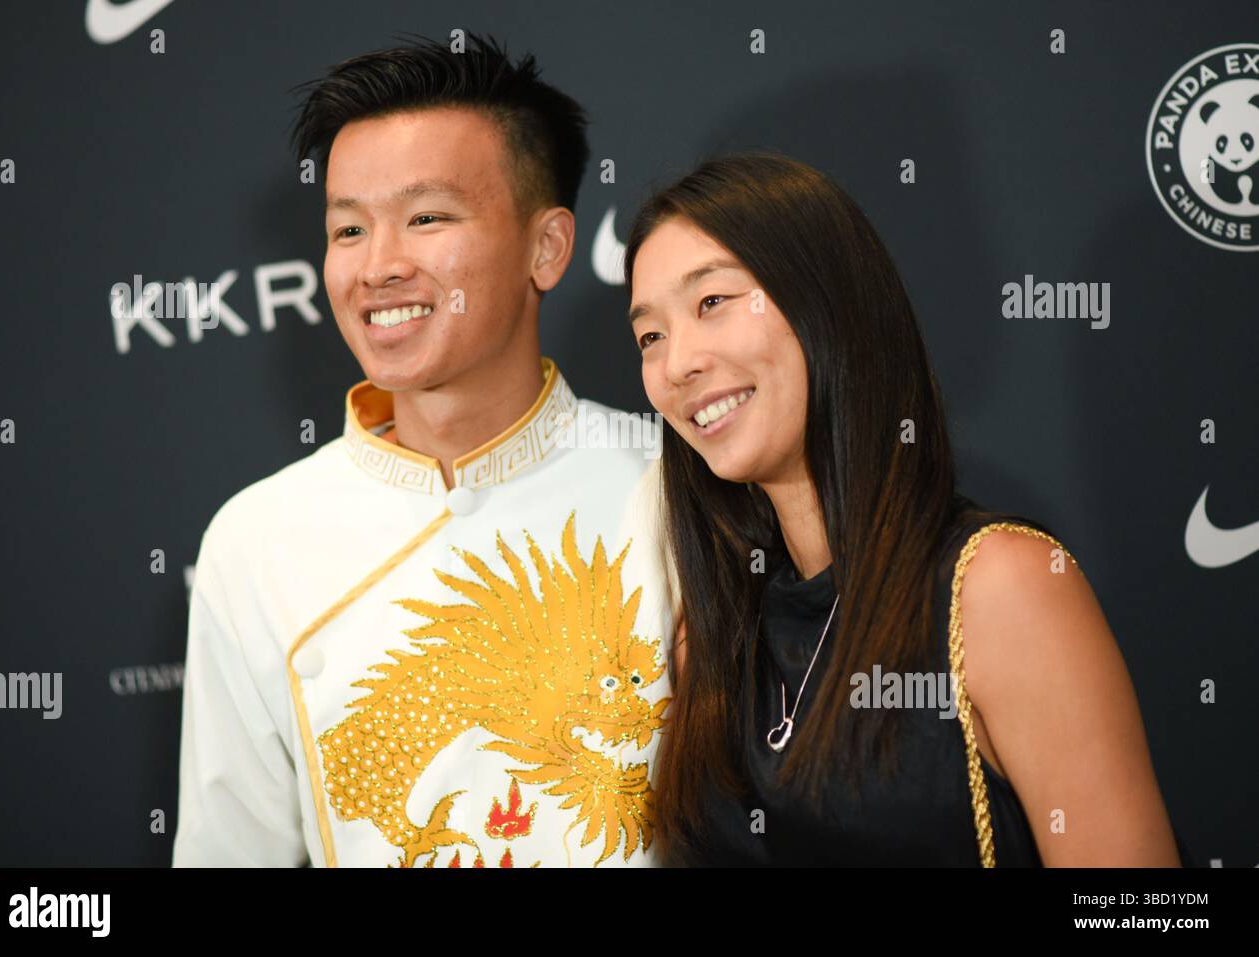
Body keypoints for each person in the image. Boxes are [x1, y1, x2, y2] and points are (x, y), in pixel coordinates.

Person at [173, 33, 674, 868]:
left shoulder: (678, 488)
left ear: (546, 247)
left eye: (427, 218)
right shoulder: (255, 540)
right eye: (347, 229)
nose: (378, 267)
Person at [624, 151, 1186, 866]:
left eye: (712, 303)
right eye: (651, 336)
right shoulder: (709, 627)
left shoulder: (997, 585)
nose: (677, 365)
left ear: (828, 301)